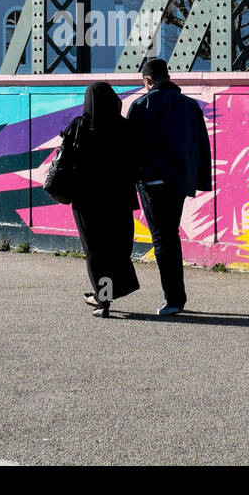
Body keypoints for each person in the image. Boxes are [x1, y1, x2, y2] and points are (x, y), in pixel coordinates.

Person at [126, 58, 212, 316]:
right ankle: (176, 296)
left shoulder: (141, 105)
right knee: (170, 235)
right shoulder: (190, 106)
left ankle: (174, 299)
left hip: (152, 182)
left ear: (147, 80)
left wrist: (131, 178)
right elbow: (201, 145)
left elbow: (132, 147)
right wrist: (196, 179)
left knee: (163, 238)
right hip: (180, 182)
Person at [61, 82, 141, 317]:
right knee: (116, 248)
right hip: (119, 198)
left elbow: (64, 158)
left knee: (96, 251)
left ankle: (103, 300)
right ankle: (108, 293)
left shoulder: (80, 126)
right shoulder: (125, 128)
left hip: (87, 200)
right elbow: (136, 161)